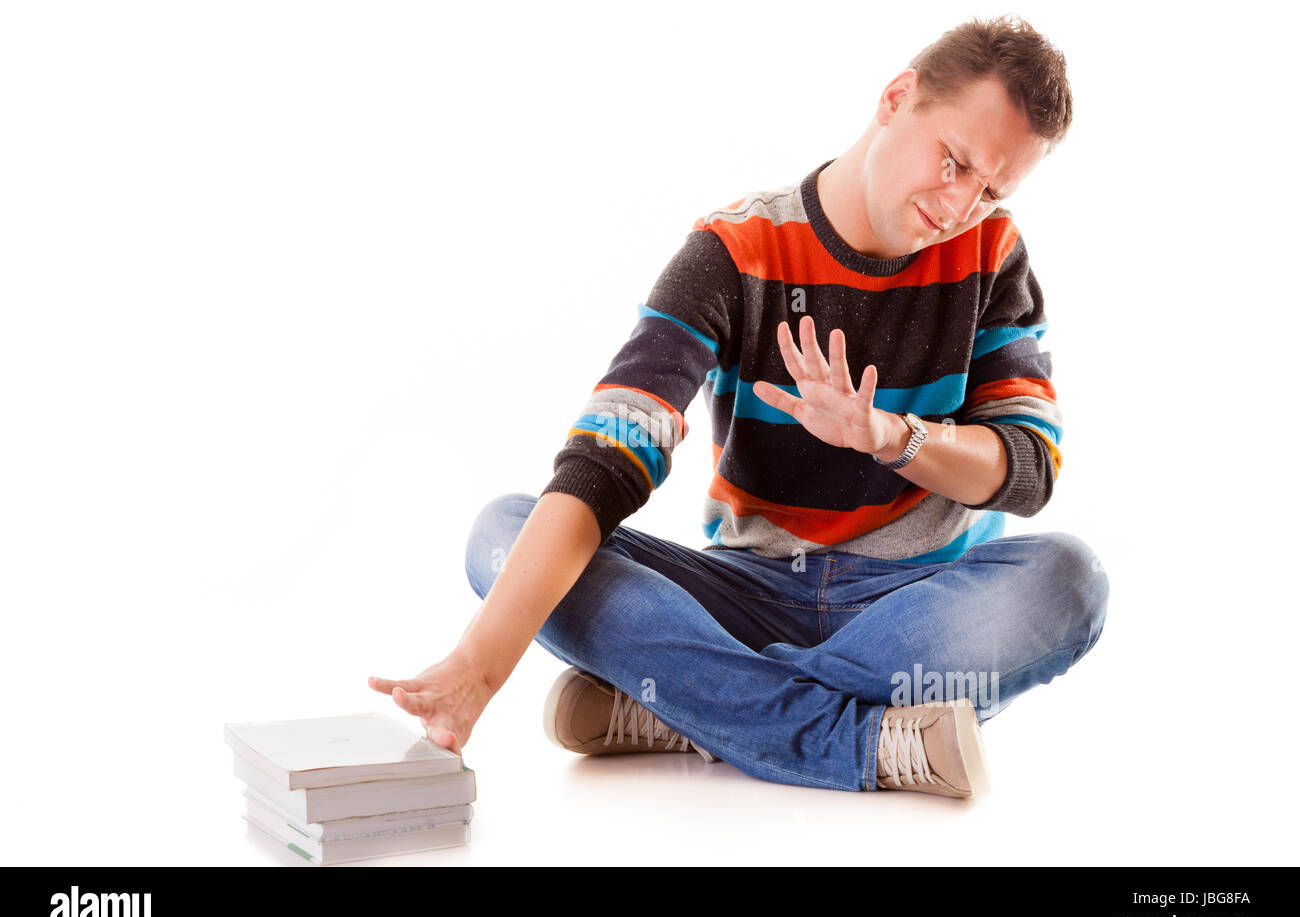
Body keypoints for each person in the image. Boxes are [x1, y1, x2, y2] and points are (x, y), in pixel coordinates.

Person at [368, 14, 1108, 799]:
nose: (962, 205)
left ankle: (685, 705)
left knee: (1073, 579)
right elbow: (611, 452)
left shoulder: (992, 252)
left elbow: (1027, 468)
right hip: (747, 593)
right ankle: (855, 740)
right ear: (897, 98)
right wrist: (479, 671)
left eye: (992, 188)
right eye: (954, 162)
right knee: (501, 531)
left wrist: (896, 437)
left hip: (911, 608)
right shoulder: (736, 249)